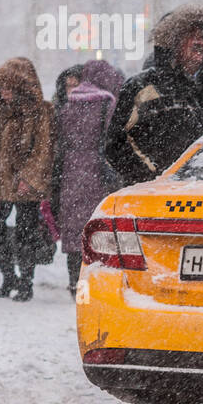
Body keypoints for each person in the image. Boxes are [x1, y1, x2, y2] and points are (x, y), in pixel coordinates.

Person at [106, 4, 203, 186]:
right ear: (174, 43)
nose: (198, 52)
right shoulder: (141, 88)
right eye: (193, 43)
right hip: (151, 199)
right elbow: (115, 144)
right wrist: (152, 178)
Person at [0, 57, 54, 301]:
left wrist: (28, 178)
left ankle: (26, 283)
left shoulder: (40, 112)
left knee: (25, 233)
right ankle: (9, 278)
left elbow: (43, 150)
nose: (5, 93)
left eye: (10, 88)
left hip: (24, 184)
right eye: (2, 88)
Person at [54, 59, 125, 294]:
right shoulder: (108, 104)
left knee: (74, 233)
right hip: (97, 172)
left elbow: (58, 142)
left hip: (71, 174)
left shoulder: (68, 105)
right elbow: (114, 139)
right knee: (97, 230)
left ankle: (76, 283)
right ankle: (97, 283)